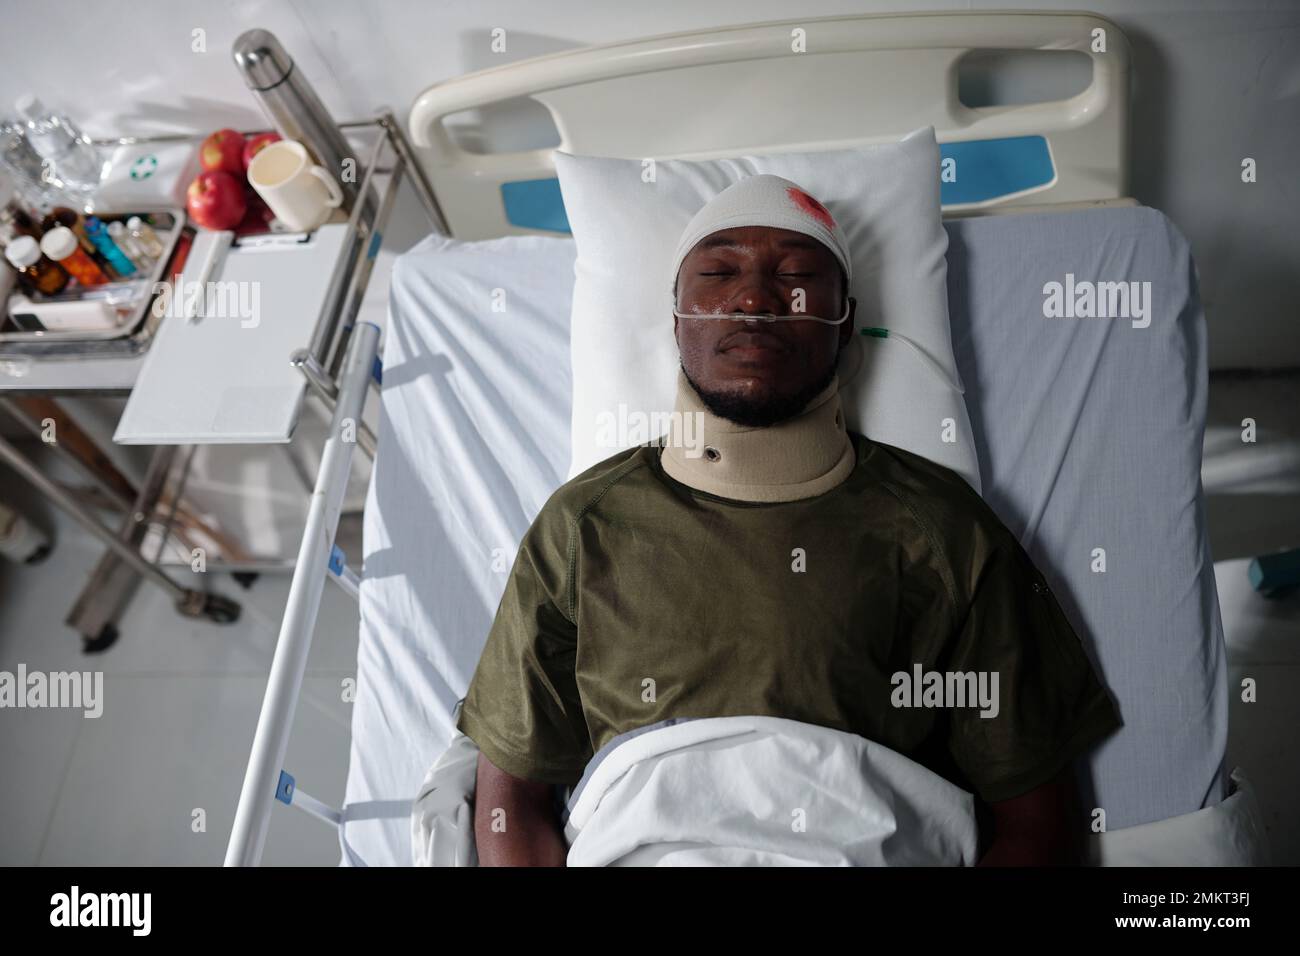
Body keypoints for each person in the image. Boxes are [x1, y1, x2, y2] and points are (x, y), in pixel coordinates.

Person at [457, 174, 1122, 866]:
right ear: (677, 317)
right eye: (718, 272)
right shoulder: (582, 526)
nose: (755, 298)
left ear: (845, 317)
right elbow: (511, 804)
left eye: (799, 275)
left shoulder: (944, 529)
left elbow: (1038, 821)